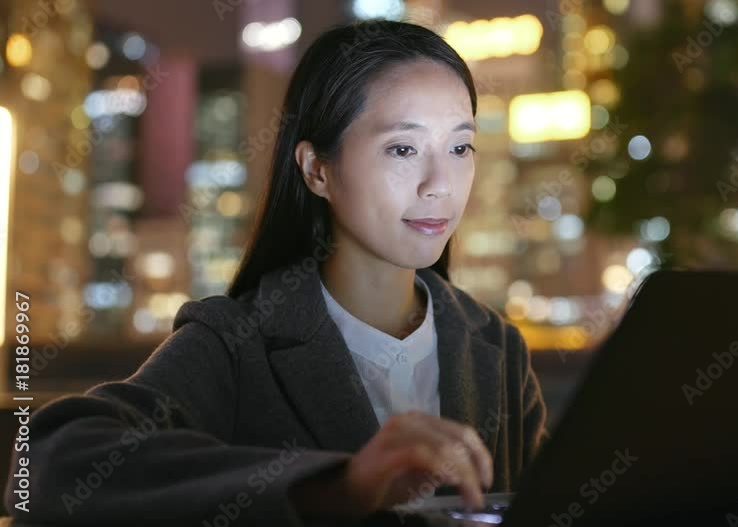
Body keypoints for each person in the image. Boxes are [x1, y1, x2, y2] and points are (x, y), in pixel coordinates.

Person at [4, 20, 548, 525]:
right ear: (317, 169)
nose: (440, 184)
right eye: (402, 148)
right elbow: (47, 466)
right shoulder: (237, 343)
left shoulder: (497, 349)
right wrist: (337, 486)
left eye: (460, 147)